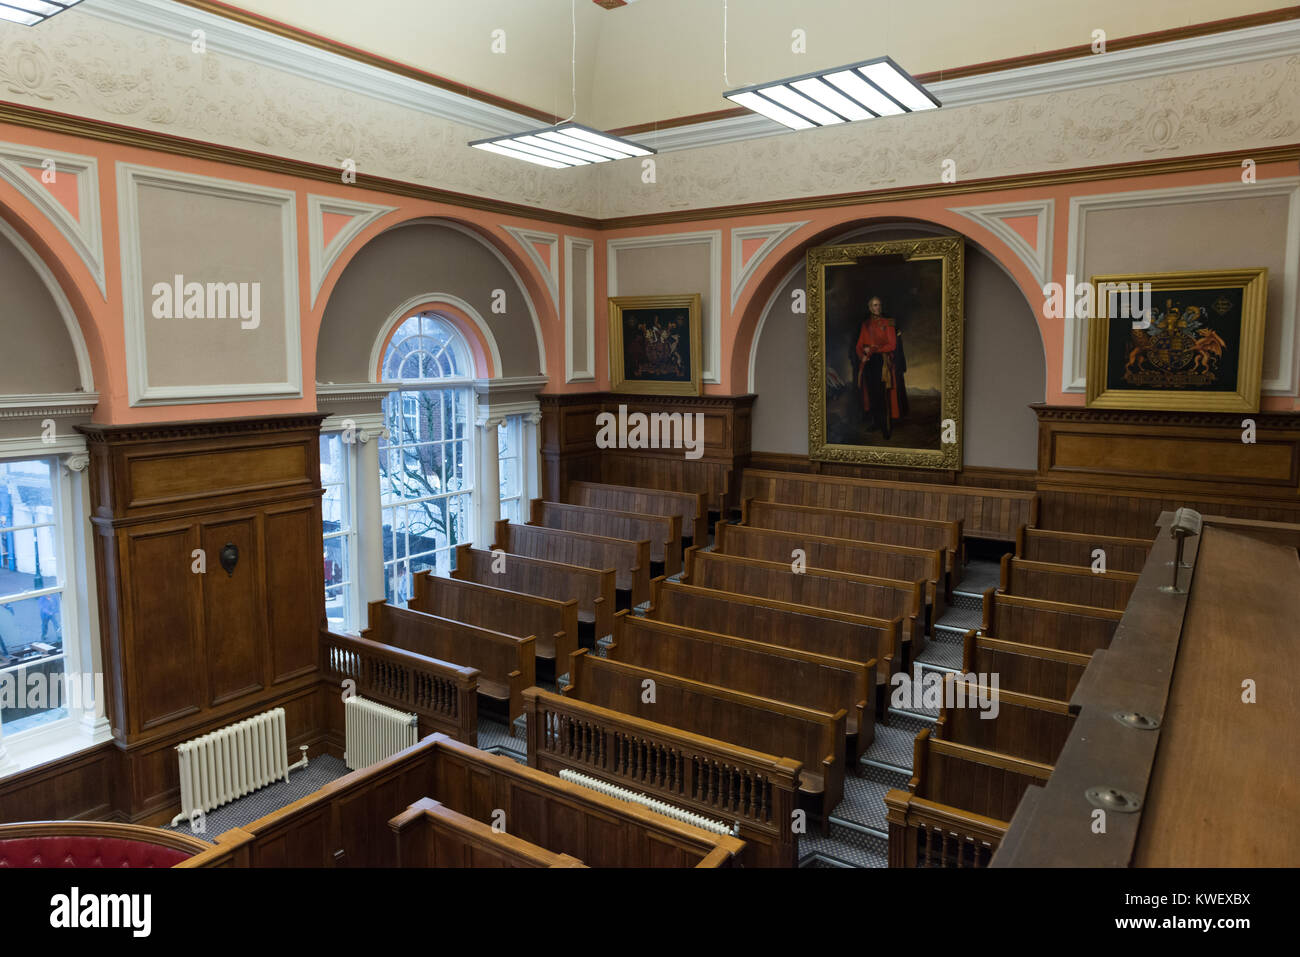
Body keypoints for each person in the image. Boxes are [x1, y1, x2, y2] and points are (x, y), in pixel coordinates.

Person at [855, 296, 909, 438]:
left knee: (882, 396)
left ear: (881, 306)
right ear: (869, 308)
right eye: (873, 305)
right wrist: (863, 355)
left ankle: (885, 427)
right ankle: (876, 423)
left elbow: (891, 345)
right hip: (868, 362)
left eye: (878, 305)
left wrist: (872, 350)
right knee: (871, 394)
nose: (876, 308)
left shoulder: (889, 322)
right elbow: (859, 345)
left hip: (882, 361)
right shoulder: (865, 324)